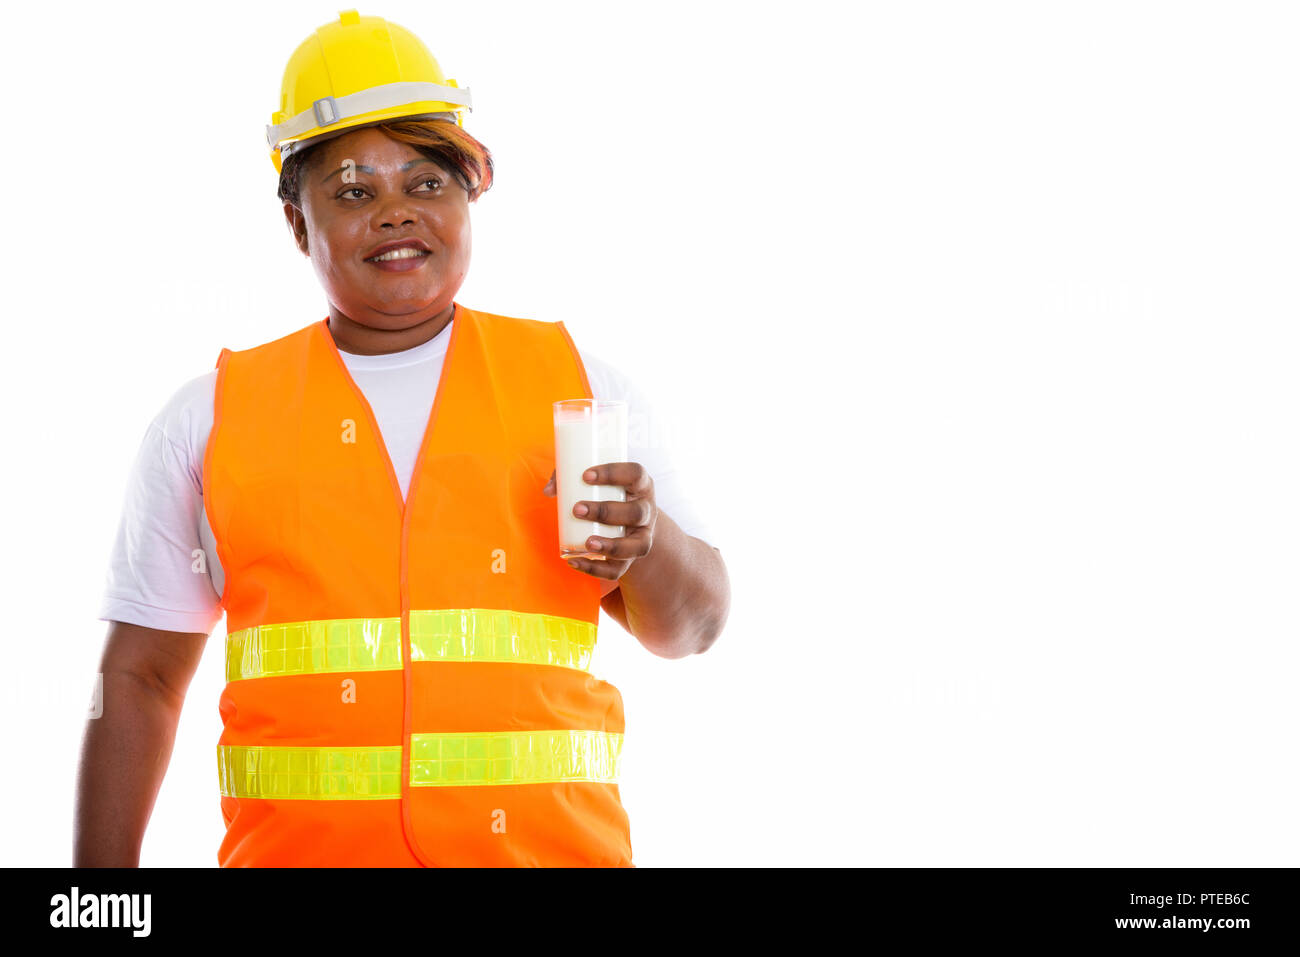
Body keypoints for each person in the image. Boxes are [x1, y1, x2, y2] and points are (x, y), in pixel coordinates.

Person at [75, 10, 730, 867]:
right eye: (353, 191)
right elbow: (141, 679)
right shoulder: (210, 418)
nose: (394, 213)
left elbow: (695, 628)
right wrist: (94, 902)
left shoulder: (582, 389)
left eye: (426, 183)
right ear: (297, 223)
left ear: (468, 198)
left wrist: (647, 548)